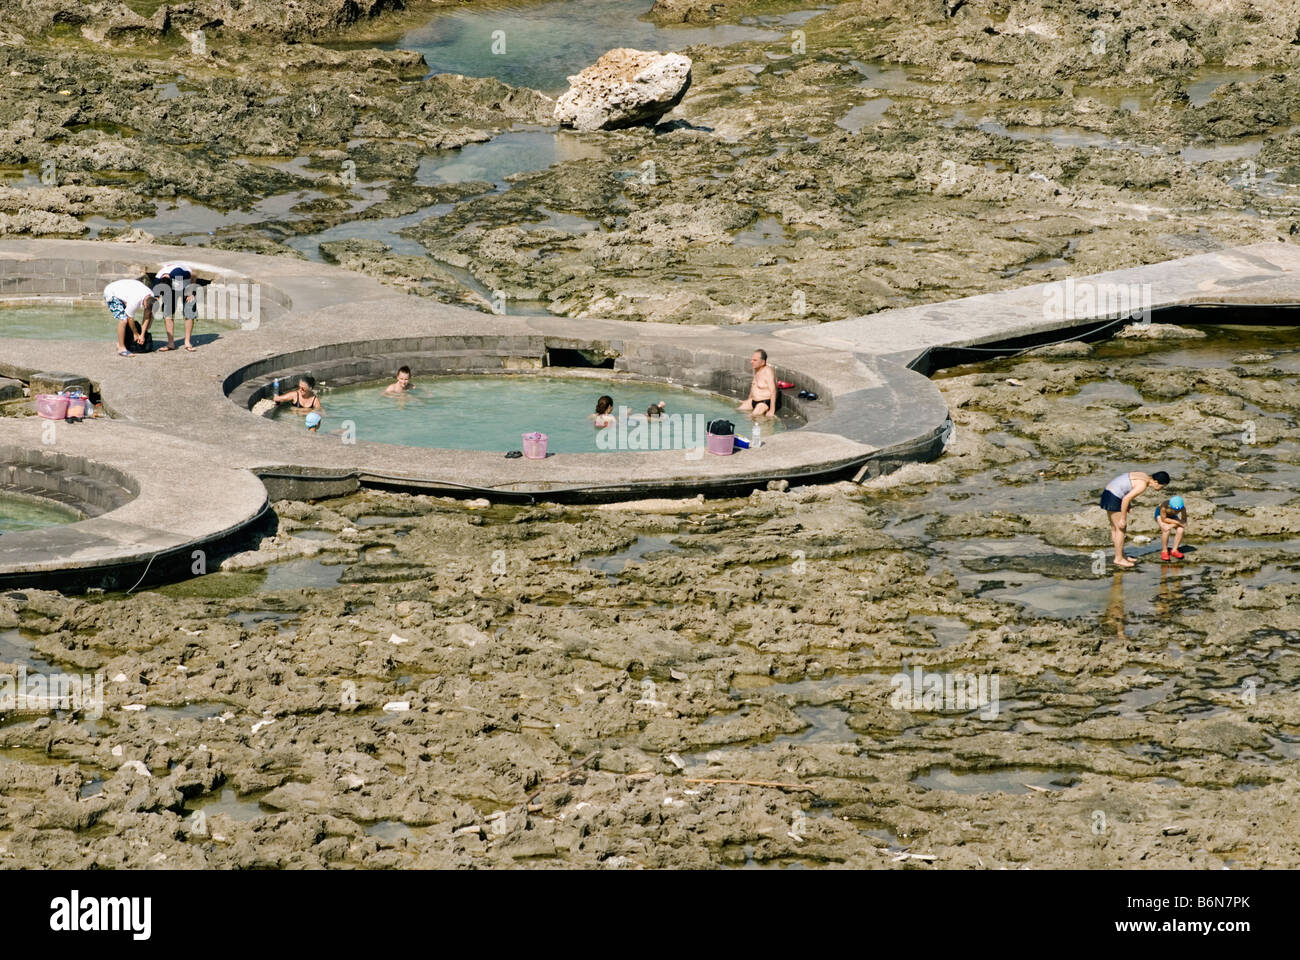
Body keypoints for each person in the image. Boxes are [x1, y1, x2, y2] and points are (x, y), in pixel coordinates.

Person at [1100, 469, 1170, 568]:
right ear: (1155, 482)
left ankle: (1121, 555)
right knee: (1121, 529)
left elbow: (1126, 487)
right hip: (1114, 497)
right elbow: (1126, 498)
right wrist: (1123, 518)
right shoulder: (1143, 485)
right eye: (1161, 486)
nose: (1160, 489)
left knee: (1115, 528)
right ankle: (1118, 558)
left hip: (1108, 492)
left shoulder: (1143, 475)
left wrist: (1128, 505)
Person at [103, 278, 155, 357]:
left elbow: (147, 317)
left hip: (125, 291)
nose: (146, 312)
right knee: (123, 320)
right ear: (144, 304)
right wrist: (135, 334)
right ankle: (121, 348)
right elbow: (130, 318)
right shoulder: (135, 300)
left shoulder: (151, 296)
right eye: (146, 309)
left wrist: (142, 335)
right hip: (111, 293)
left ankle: (123, 342)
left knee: (148, 316)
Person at [154, 261, 196, 352]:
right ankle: (170, 343)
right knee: (167, 313)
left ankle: (187, 342)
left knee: (189, 311)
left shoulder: (178, 273)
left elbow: (194, 274)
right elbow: (155, 298)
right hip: (171, 286)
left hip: (186, 285)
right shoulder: (157, 279)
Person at [738, 348, 777, 416]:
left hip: (763, 403)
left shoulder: (768, 372)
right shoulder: (757, 369)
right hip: (753, 401)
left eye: (755, 360)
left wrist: (772, 410)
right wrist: (748, 399)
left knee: (752, 416)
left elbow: (773, 391)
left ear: (763, 362)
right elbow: (754, 386)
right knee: (738, 411)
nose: (751, 362)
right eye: (752, 359)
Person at [1154, 495, 1188, 561]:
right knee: (1166, 529)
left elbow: (1184, 522)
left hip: (1172, 517)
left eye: (1178, 511)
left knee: (1180, 529)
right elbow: (1164, 519)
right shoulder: (1164, 506)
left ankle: (1174, 550)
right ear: (1170, 506)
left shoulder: (1182, 508)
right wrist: (1177, 522)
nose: (1177, 512)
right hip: (1160, 515)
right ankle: (1164, 551)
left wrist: (1172, 525)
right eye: (1175, 510)